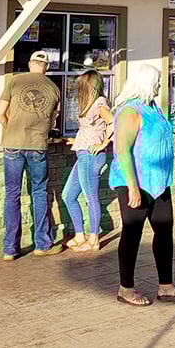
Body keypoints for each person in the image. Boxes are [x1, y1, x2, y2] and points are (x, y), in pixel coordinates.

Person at [109, 63, 175, 306]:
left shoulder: (153, 108)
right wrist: (133, 187)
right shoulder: (129, 112)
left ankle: (166, 286)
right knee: (132, 234)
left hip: (159, 183)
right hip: (135, 183)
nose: (160, 85)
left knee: (165, 232)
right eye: (157, 81)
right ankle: (126, 288)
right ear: (145, 82)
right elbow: (123, 151)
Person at [0, 50, 62, 260]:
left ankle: (10, 249)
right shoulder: (54, 88)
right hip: (38, 145)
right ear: (47, 67)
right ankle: (42, 244)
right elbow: (53, 122)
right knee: (40, 192)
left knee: (12, 194)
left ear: (30, 63)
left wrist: (11, 130)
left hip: (12, 144)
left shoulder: (14, 81)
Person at [61, 70, 114, 252]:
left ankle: (93, 240)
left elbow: (113, 122)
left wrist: (104, 143)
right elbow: (90, 129)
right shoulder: (91, 103)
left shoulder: (99, 103)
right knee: (68, 195)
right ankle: (79, 235)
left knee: (91, 198)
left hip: (91, 155)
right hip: (82, 152)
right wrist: (76, 141)